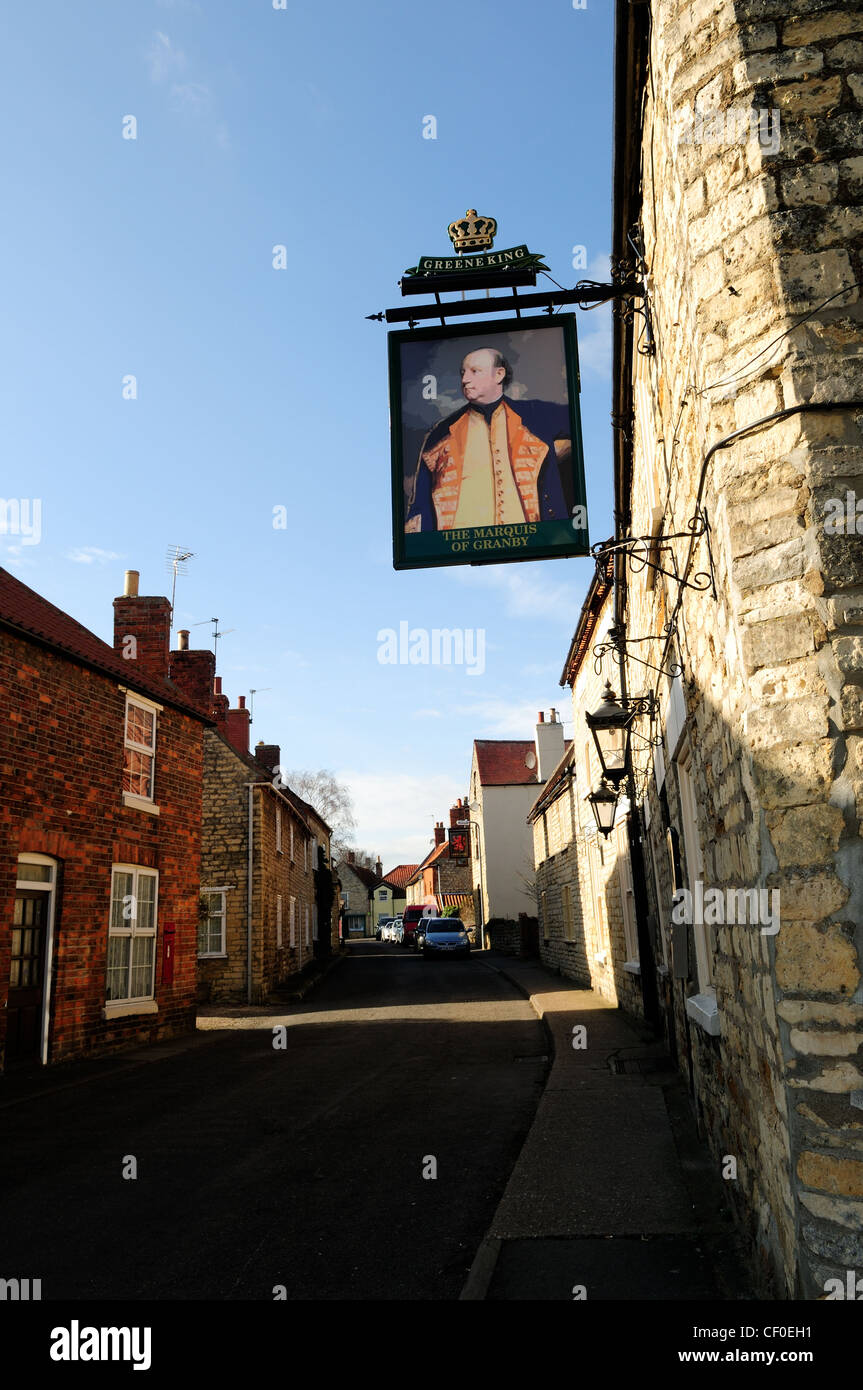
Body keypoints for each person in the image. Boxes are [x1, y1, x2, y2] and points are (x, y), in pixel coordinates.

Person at [405, 347, 572, 533]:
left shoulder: (537, 414)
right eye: (463, 373)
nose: (465, 379)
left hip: (535, 539)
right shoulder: (441, 433)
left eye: (474, 371)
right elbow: (421, 504)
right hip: (460, 545)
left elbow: (583, 422)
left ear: (499, 374)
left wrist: (555, 454)